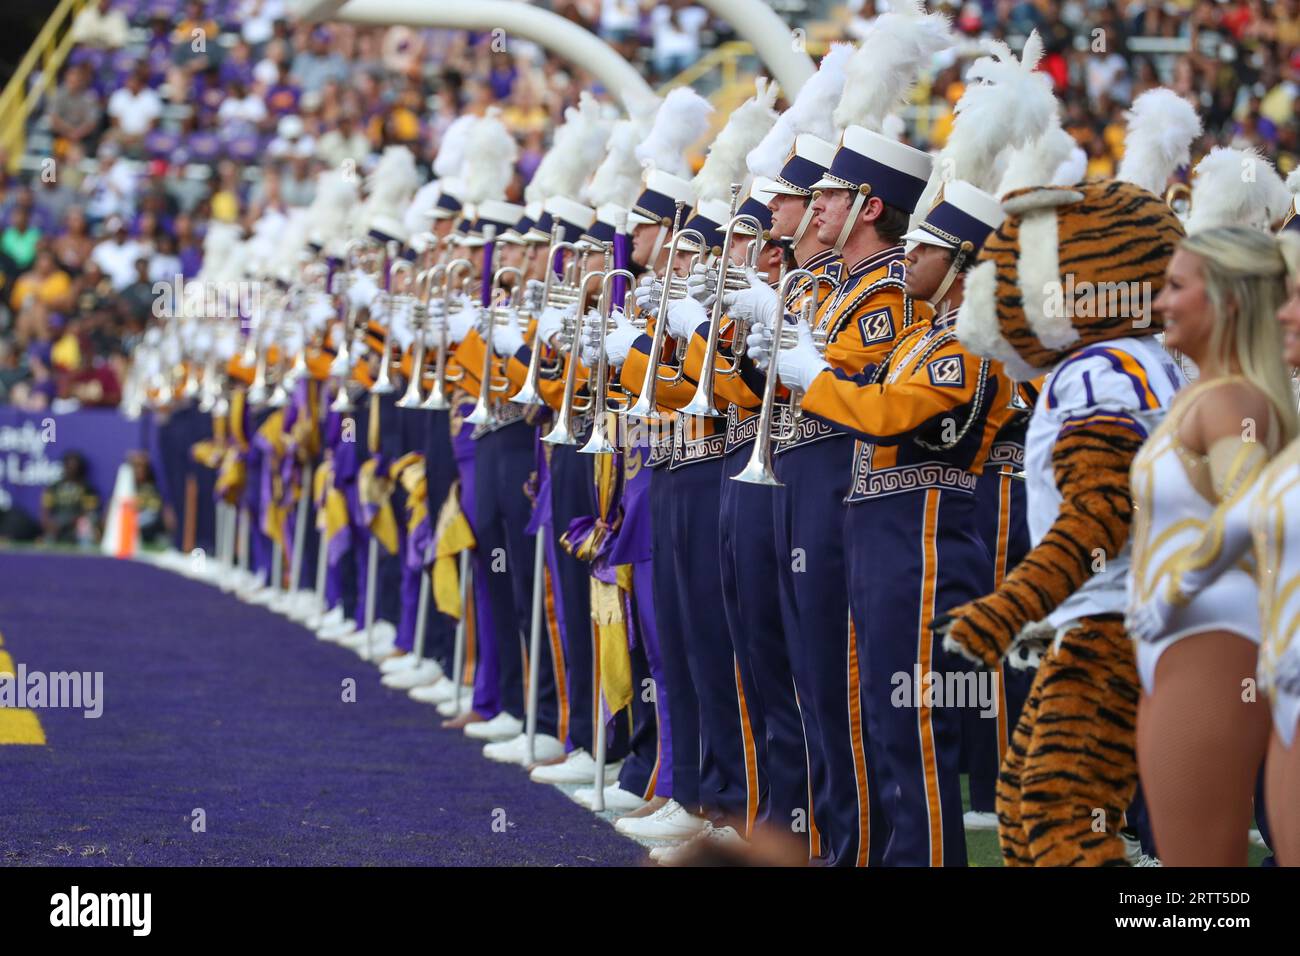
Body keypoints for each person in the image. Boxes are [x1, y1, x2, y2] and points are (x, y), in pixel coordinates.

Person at [1126, 226, 1298, 865]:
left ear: (1226, 302)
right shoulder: (1209, 393)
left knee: (1197, 877)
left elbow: (1250, 500)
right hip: (1186, 645)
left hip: (1209, 646)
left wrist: (1179, 586)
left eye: (1176, 286)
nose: (1161, 301)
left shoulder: (1229, 400)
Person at [42, 452, 101, 546]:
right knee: (47, 538)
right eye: (68, 465)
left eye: (74, 466)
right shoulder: (53, 487)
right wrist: (49, 524)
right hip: (57, 523)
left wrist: (72, 522)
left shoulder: (88, 488)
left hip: (76, 522)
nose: (71, 469)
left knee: (85, 525)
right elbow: (45, 510)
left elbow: (90, 511)